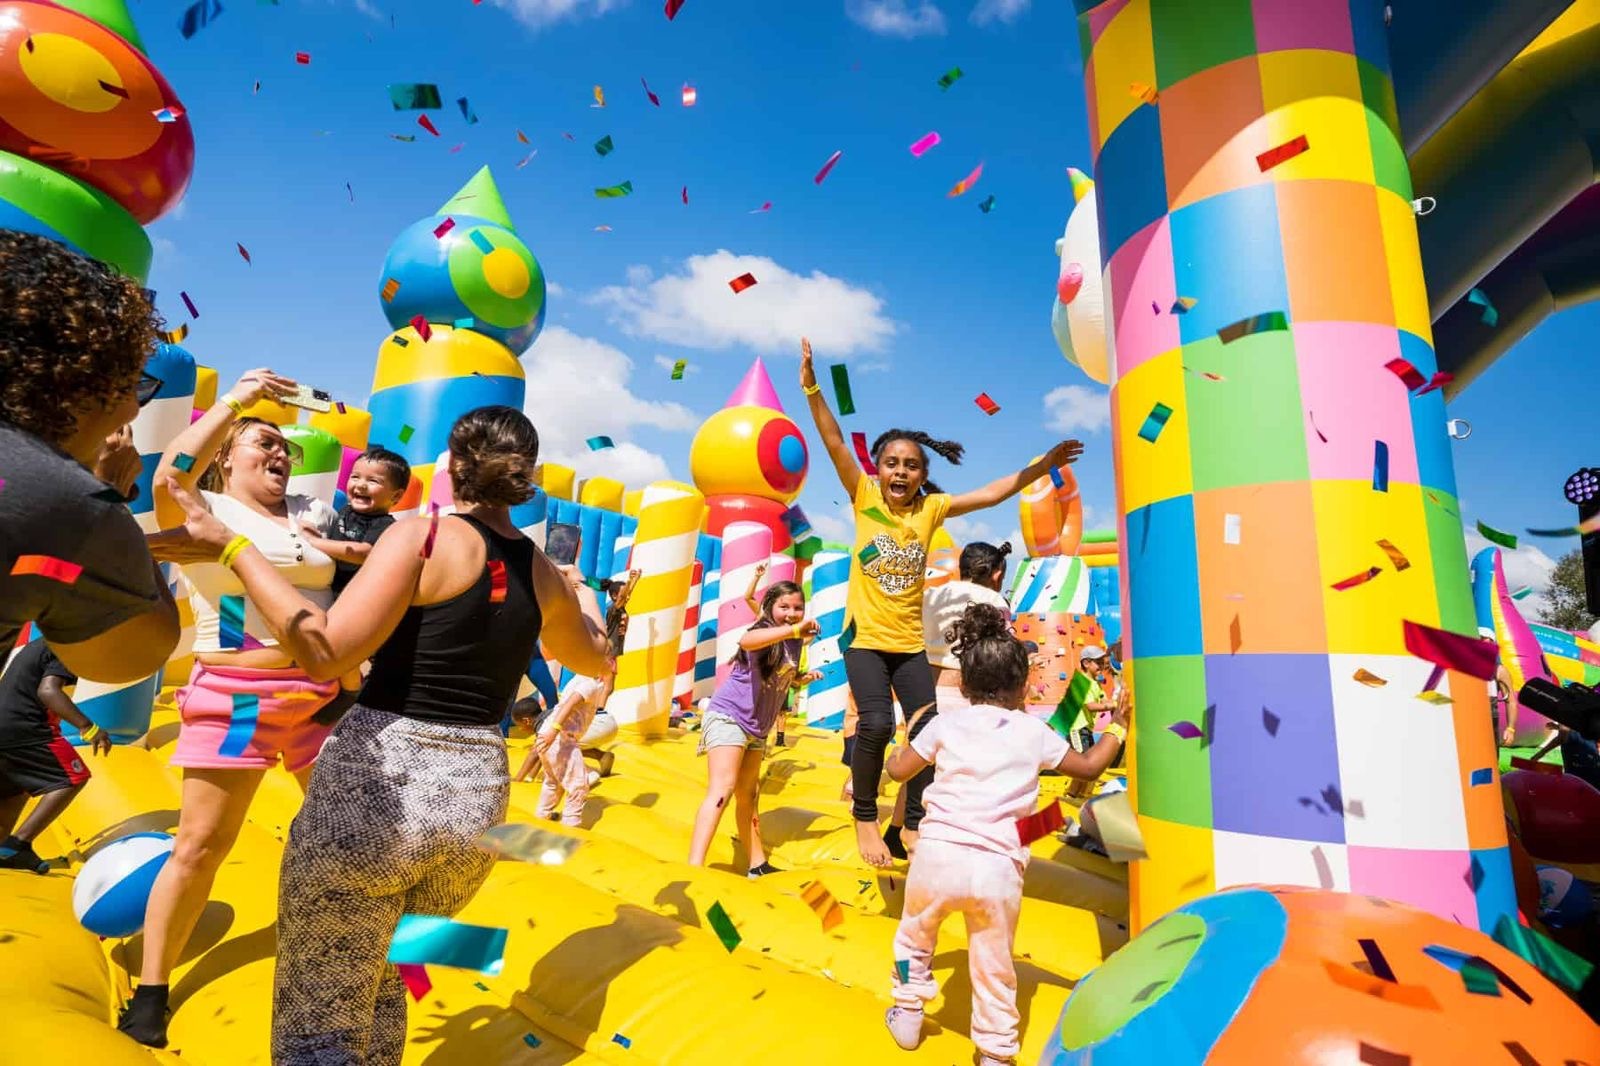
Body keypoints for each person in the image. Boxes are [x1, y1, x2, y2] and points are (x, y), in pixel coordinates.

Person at [146, 404, 609, 1062]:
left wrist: (233, 550)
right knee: (385, 976)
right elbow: (595, 657)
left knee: (320, 1017)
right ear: (524, 475)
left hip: (383, 787)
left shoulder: (422, 536)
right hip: (476, 807)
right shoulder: (538, 568)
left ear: (449, 468)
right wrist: (586, 595)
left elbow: (327, 652)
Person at [119, 369, 343, 1045]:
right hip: (241, 700)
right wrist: (237, 403)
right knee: (201, 847)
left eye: (286, 450)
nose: (280, 455)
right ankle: (152, 990)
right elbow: (168, 479)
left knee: (346, 832)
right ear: (227, 457)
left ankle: (344, 950)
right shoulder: (205, 512)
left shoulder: (300, 524)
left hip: (317, 702)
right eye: (264, 445)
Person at [799, 335, 1083, 867]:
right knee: (878, 725)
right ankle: (864, 815)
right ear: (877, 469)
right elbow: (835, 441)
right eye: (891, 463)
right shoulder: (864, 498)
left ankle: (908, 824)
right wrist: (813, 387)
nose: (900, 472)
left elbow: (994, 492)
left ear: (924, 475)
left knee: (930, 731)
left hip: (908, 644)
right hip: (866, 640)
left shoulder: (930, 511)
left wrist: (1043, 466)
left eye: (911, 465)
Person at [881, 603, 1128, 1065]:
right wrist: (1118, 724)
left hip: (936, 856)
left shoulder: (946, 723)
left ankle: (908, 1009)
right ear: (1022, 686)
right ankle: (995, 1051)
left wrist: (904, 737)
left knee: (913, 940)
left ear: (967, 684)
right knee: (994, 965)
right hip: (997, 868)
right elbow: (1092, 766)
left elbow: (898, 771)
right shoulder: (1033, 732)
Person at [0, 230, 179, 683]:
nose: (136, 407)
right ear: (90, 377)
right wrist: (109, 495)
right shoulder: (58, 501)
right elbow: (132, 655)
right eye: (136, 383)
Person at [883, 540, 1015, 860]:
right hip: (962, 694)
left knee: (918, 765)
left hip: (921, 690)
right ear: (997, 574)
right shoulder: (995, 602)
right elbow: (997, 655)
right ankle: (926, 838)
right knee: (949, 776)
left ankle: (894, 831)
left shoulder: (934, 595)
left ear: (961, 568)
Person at [687, 581, 820, 877]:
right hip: (729, 717)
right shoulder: (762, 633)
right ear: (770, 607)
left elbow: (780, 674)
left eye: (797, 608)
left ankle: (757, 864)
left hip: (757, 727)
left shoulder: (794, 641)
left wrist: (801, 679)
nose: (792, 613)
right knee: (723, 789)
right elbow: (747, 641)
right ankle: (693, 869)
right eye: (784, 607)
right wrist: (794, 629)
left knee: (749, 794)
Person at [0, 640, 113, 872]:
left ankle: (4, 850)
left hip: (6, 725)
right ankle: (18, 844)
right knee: (74, 777)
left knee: (16, 787)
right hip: (25, 726)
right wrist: (89, 728)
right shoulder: (70, 645)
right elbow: (48, 690)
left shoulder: (48, 641)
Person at [299, 446, 411, 597]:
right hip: (326, 586)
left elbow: (363, 553)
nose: (360, 485)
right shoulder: (346, 510)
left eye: (373, 480)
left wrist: (315, 541)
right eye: (355, 477)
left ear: (396, 496)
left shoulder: (384, 524)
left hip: (352, 595)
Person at [525, 661, 616, 825]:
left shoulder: (578, 679)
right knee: (578, 785)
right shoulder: (590, 684)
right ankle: (570, 825)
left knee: (553, 781)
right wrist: (555, 730)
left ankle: (542, 816)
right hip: (561, 738)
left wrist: (551, 731)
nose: (614, 667)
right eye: (610, 662)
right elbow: (570, 703)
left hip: (548, 735)